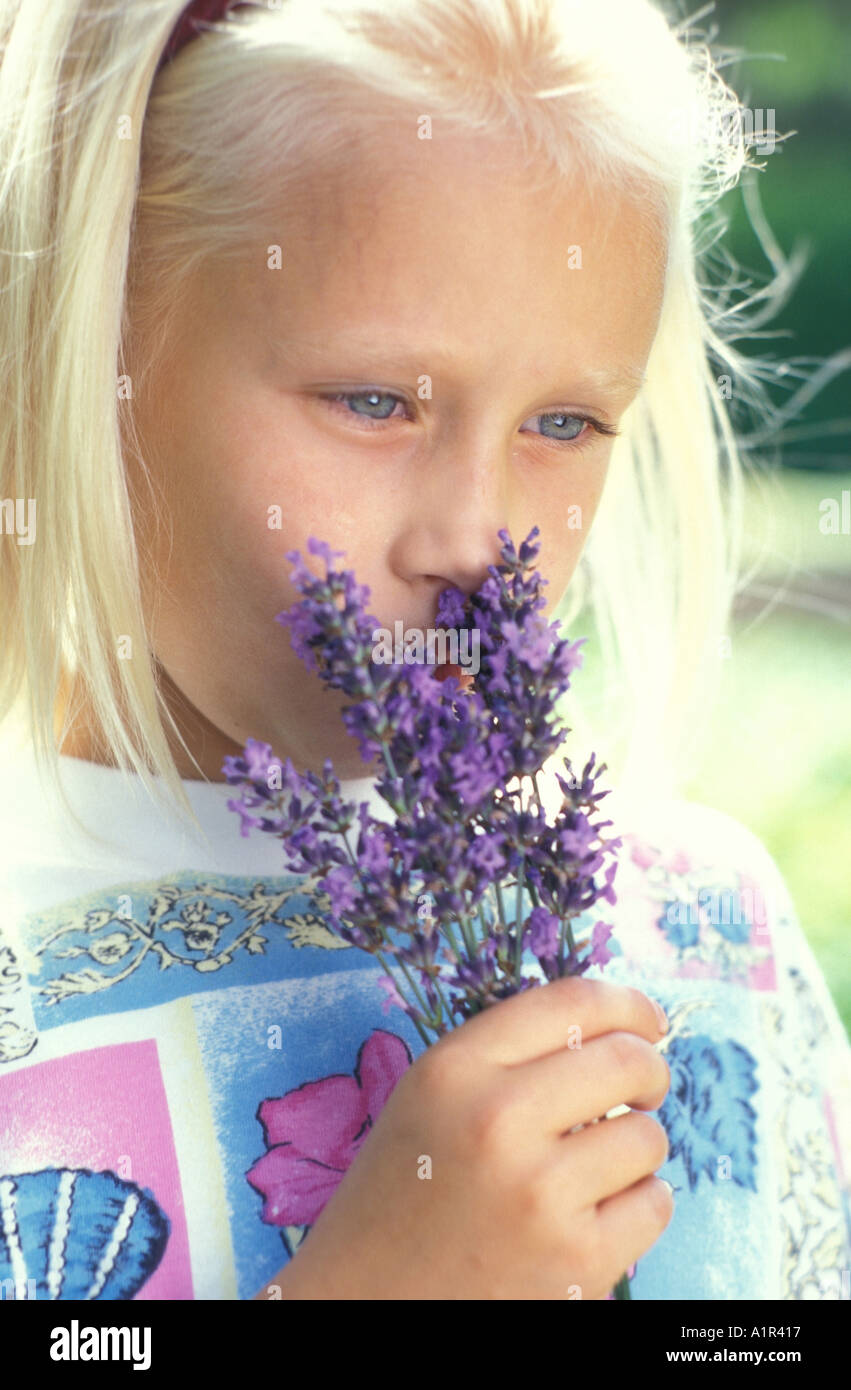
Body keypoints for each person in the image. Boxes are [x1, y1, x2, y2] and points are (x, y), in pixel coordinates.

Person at [0, 0, 848, 1302]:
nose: (477, 534)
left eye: (563, 421)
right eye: (376, 401)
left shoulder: (707, 938)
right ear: (95, 352)